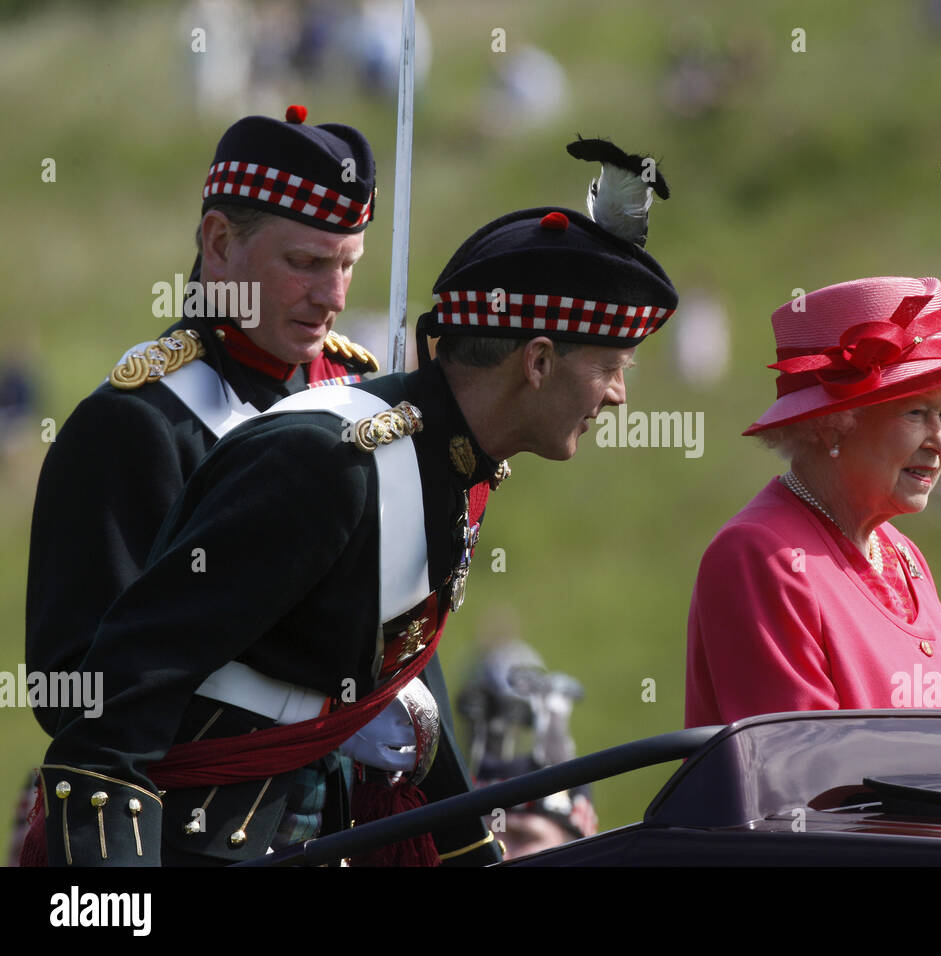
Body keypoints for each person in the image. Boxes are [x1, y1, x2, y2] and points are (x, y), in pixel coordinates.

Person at [39, 193, 678, 865]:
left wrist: (470, 853)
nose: (617, 396)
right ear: (538, 362)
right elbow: (117, 703)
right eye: (611, 368)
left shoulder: (453, 463)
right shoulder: (330, 464)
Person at [17, 104, 383, 865]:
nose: (335, 295)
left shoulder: (356, 403)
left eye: (347, 263)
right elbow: (72, 694)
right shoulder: (135, 425)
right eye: (307, 264)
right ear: (220, 243)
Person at [685, 277, 941, 727]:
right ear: (833, 425)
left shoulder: (902, 555)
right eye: (916, 413)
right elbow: (802, 774)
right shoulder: (760, 556)